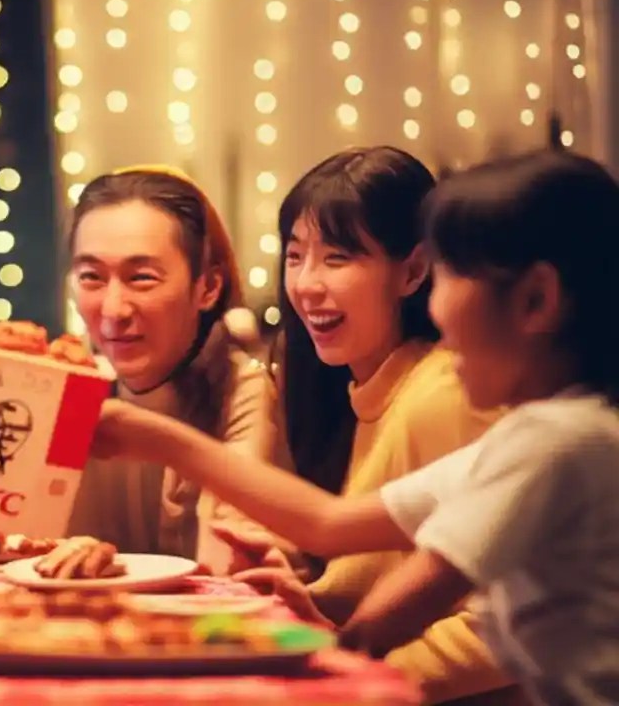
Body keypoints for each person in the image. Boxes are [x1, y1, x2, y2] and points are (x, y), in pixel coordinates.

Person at [92, 150, 619, 706]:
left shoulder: (554, 442)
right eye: (295, 257)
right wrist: (156, 439)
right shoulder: (550, 434)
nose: (436, 309)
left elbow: (381, 627)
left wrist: (318, 650)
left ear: (537, 299)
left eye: (451, 274)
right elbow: (331, 524)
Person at [216, 146, 515, 703]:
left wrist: (353, 673)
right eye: (296, 255)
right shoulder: (351, 393)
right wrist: (304, 590)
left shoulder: (444, 393)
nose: (306, 284)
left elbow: (499, 620)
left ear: (414, 271)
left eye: (337, 258)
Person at [62, 165, 278, 569]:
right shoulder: (64, 388)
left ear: (208, 287)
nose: (113, 310)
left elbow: (225, 566)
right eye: (91, 277)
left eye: (141, 278)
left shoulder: (242, 390)